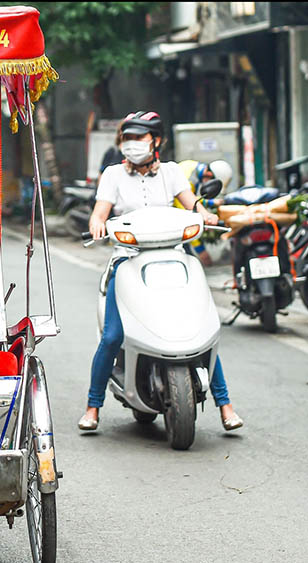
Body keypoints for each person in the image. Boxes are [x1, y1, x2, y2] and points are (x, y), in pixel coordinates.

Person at [79, 110, 243, 433]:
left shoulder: (171, 173)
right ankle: (92, 405)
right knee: (113, 335)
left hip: (173, 260)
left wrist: (206, 215)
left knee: (200, 330)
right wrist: (97, 225)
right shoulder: (112, 174)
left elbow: (192, 203)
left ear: (156, 141)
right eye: (127, 138)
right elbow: (100, 213)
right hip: (127, 261)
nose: (131, 144)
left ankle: (225, 405)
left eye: (138, 138)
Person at [175, 159, 235, 265]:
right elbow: (187, 215)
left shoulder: (192, 167)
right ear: (209, 174)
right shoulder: (189, 179)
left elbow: (192, 198)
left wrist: (211, 203)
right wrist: (201, 250)